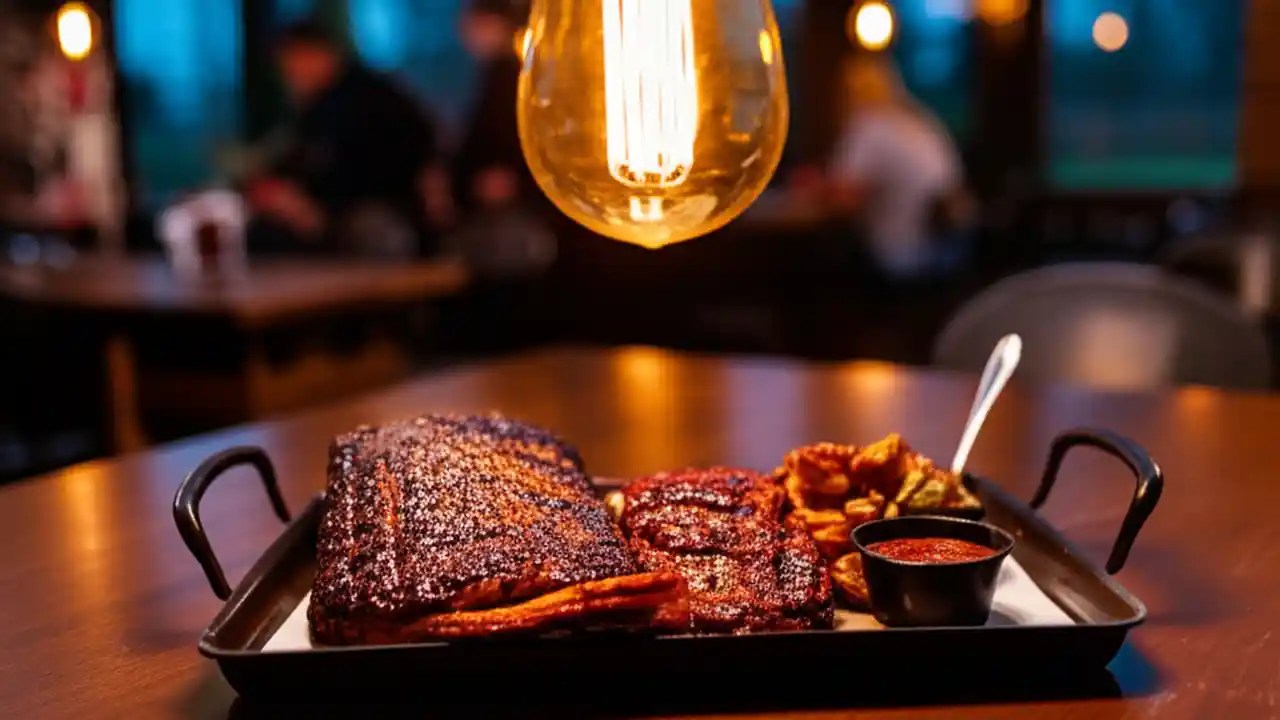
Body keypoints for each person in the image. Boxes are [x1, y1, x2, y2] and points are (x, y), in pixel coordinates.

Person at [246, 20, 440, 258]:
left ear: (319, 54)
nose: (289, 74)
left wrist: (314, 208)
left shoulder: (370, 97)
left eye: (293, 62)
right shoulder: (316, 107)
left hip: (381, 214)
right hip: (334, 214)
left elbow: (373, 168)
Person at [822, 54, 971, 281]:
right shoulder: (919, 120)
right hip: (944, 255)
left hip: (898, 255)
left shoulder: (870, 125)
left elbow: (844, 201)